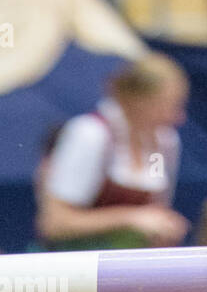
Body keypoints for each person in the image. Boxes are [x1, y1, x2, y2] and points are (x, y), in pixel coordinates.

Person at [34, 54, 190, 251]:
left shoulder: (165, 141)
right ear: (137, 100)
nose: (179, 117)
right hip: (77, 267)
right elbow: (54, 224)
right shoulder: (91, 134)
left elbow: (155, 211)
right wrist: (130, 218)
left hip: (133, 270)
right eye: (169, 105)